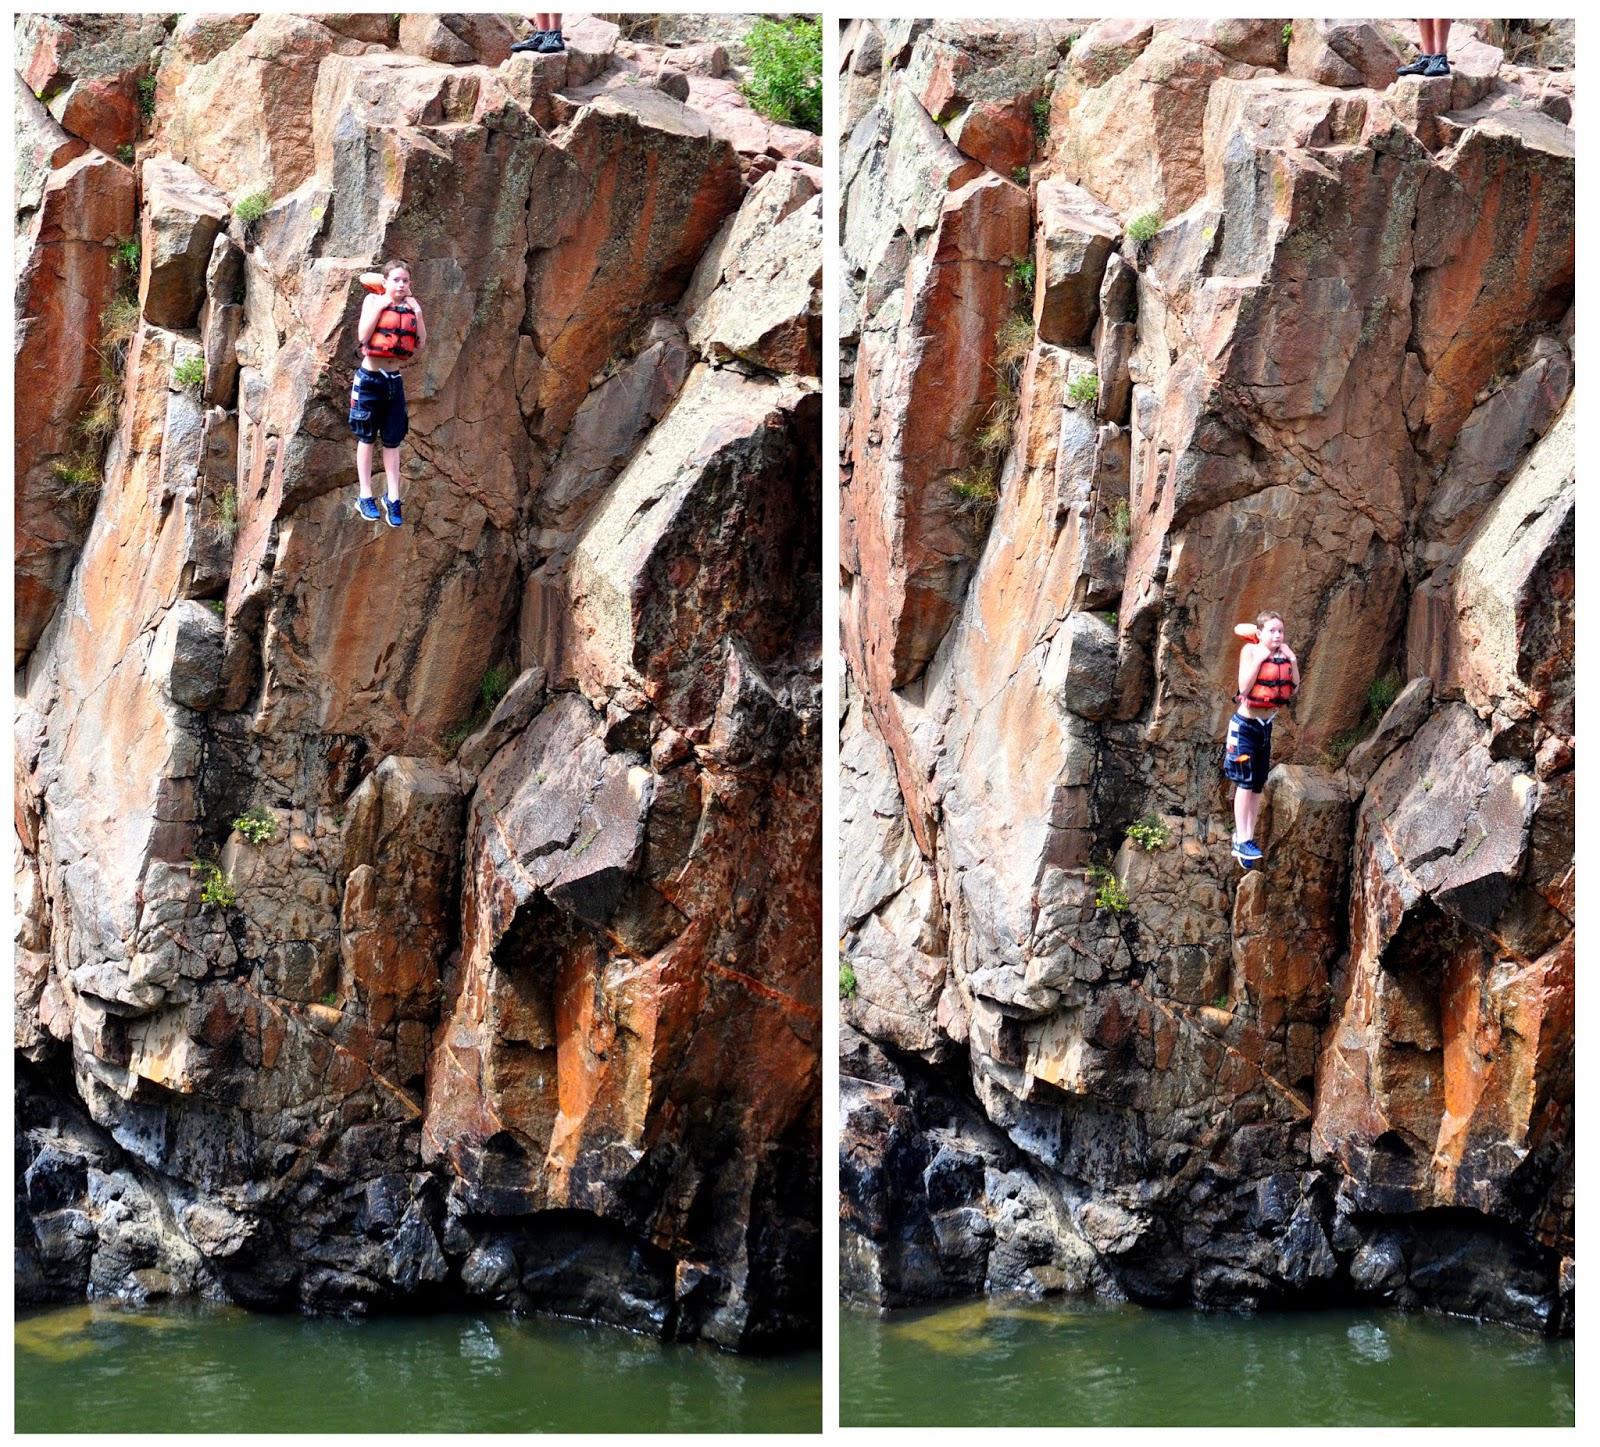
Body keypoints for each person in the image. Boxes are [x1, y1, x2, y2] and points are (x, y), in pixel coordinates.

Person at [351, 261, 426, 529]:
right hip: (369, 380)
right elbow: (363, 336)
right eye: (396, 280)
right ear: (385, 282)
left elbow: (421, 343)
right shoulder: (373, 301)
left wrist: (417, 311)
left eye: (405, 280)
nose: (401, 284)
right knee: (367, 437)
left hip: (394, 381)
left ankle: (392, 497)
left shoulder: (411, 307)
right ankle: (365, 495)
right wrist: (384, 302)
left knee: (392, 440)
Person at [1222, 611, 1300, 869]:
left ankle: (1247, 837)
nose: (1277, 635)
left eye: (1281, 631)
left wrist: (1293, 659)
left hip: (1265, 727)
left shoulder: (1284, 655)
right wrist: (1260, 659)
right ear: (1259, 633)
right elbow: (1244, 688)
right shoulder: (1250, 651)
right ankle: (1242, 839)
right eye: (1272, 631)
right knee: (1244, 783)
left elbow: (1294, 687)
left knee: (1257, 784)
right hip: (1244, 726)